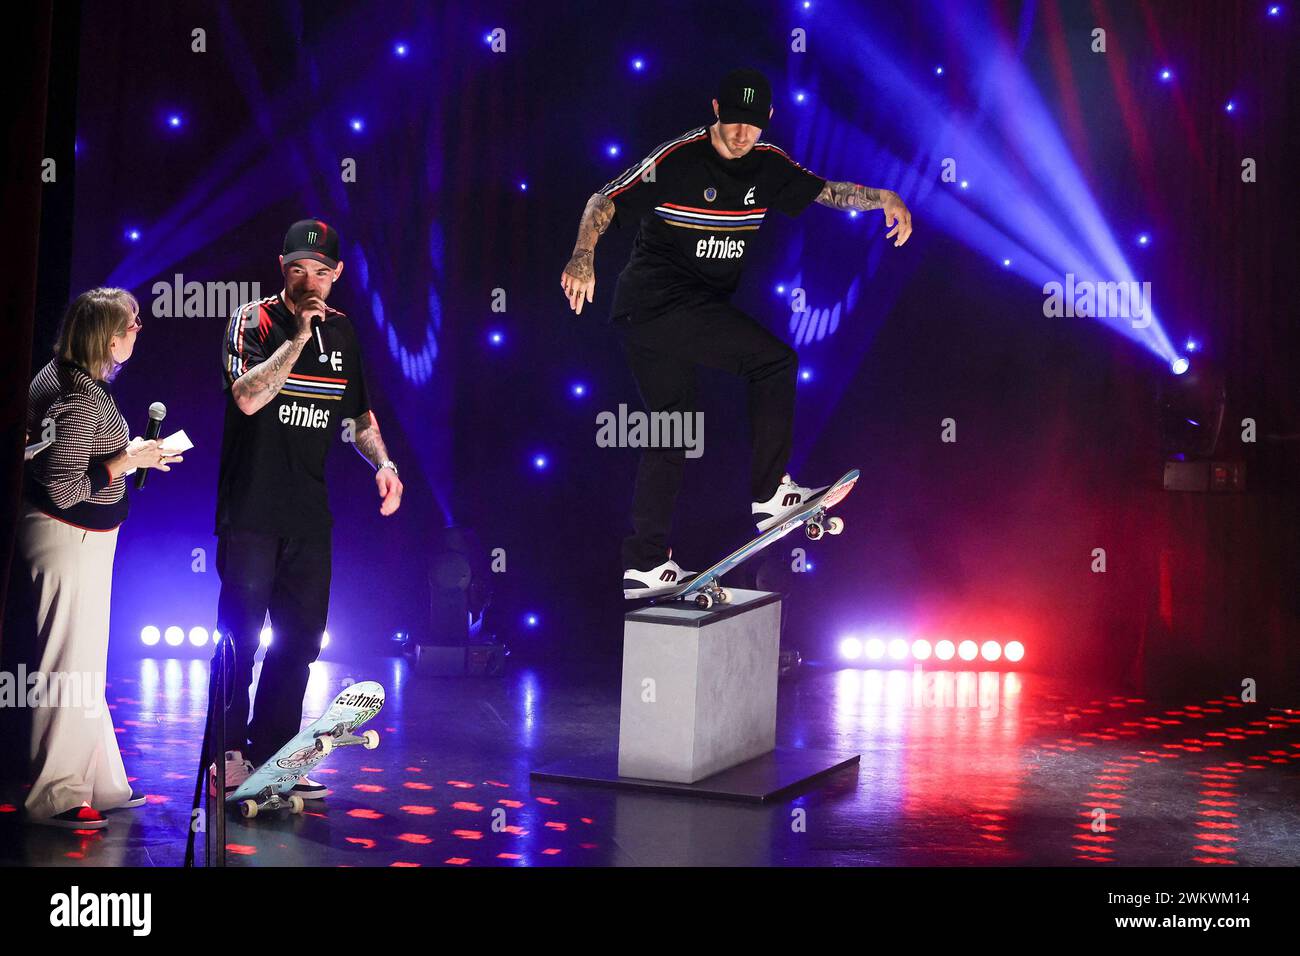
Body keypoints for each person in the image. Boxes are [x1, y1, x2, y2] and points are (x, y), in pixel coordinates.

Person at [561, 68, 914, 597]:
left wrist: (883, 196)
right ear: (715, 111)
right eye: (732, 123)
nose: (741, 135)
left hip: (666, 315)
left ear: (767, 118)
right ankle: (771, 496)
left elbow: (827, 192)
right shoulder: (677, 159)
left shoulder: (768, 165)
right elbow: (602, 201)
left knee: (672, 431)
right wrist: (582, 256)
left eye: (752, 124)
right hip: (654, 304)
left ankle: (644, 563)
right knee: (773, 362)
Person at [208, 219, 403, 798]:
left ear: (337, 273)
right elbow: (247, 398)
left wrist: (384, 464)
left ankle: (275, 756)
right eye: (297, 269)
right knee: (239, 639)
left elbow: (359, 414)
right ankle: (227, 754)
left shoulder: (343, 331)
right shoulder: (252, 320)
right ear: (282, 268)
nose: (308, 282)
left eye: (320, 271)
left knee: (299, 643)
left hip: (308, 515)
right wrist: (297, 337)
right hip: (251, 510)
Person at [19, 287, 183, 829]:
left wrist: (129, 455)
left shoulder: (63, 377)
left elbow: (72, 458)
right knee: (68, 664)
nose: (140, 331)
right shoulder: (79, 396)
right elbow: (63, 487)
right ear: (110, 339)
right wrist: (125, 462)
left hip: (80, 540)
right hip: (68, 536)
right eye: (133, 324)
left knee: (84, 664)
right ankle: (57, 794)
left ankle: (98, 780)